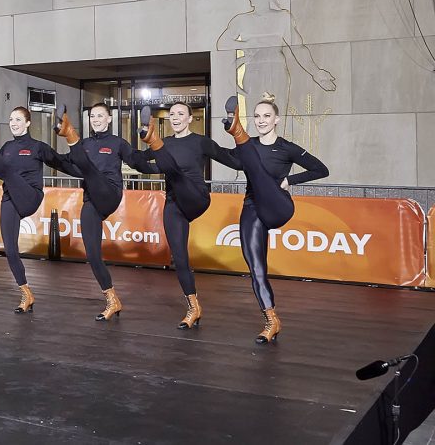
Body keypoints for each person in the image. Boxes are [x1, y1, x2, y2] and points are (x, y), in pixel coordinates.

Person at [222, 93, 329, 344]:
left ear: (277, 119)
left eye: (266, 116)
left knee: (254, 164)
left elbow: (321, 169)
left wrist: (289, 180)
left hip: (278, 204)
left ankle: (233, 126)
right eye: (257, 116)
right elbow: (228, 158)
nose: (261, 121)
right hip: (253, 207)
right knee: (256, 266)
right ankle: (271, 320)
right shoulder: (249, 147)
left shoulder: (287, 148)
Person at [130, 103, 240, 329]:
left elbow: (234, 161)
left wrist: (240, 135)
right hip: (174, 203)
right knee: (179, 258)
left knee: (174, 171)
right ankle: (193, 307)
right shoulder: (166, 144)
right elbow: (140, 164)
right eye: (172, 115)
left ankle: (149, 135)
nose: (176, 118)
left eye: (181, 114)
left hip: (197, 197)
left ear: (190, 118)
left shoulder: (200, 142)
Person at [54, 103, 157, 321]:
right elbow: (68, 164)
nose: (96, 119)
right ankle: (112, 299)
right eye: (92, 116)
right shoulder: (85, 144)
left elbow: (138, 161)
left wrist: (161, 158)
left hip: (110, 193)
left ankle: (66, 129)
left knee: (89, 169)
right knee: (92, 255)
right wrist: (40, 154)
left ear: (109, 119)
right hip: (92, 199)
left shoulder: (117, 143)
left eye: (100, 116)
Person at [0, 108, 69, 314]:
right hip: (10, 198)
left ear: (28, 123)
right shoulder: (7, 147)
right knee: (9, 249)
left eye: (18, 119)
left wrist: (89, 172)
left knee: (8, 172)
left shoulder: (37, 147)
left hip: (30, 196)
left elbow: (62, 163)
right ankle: (26, 293)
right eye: (10, 119)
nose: (13, 123)